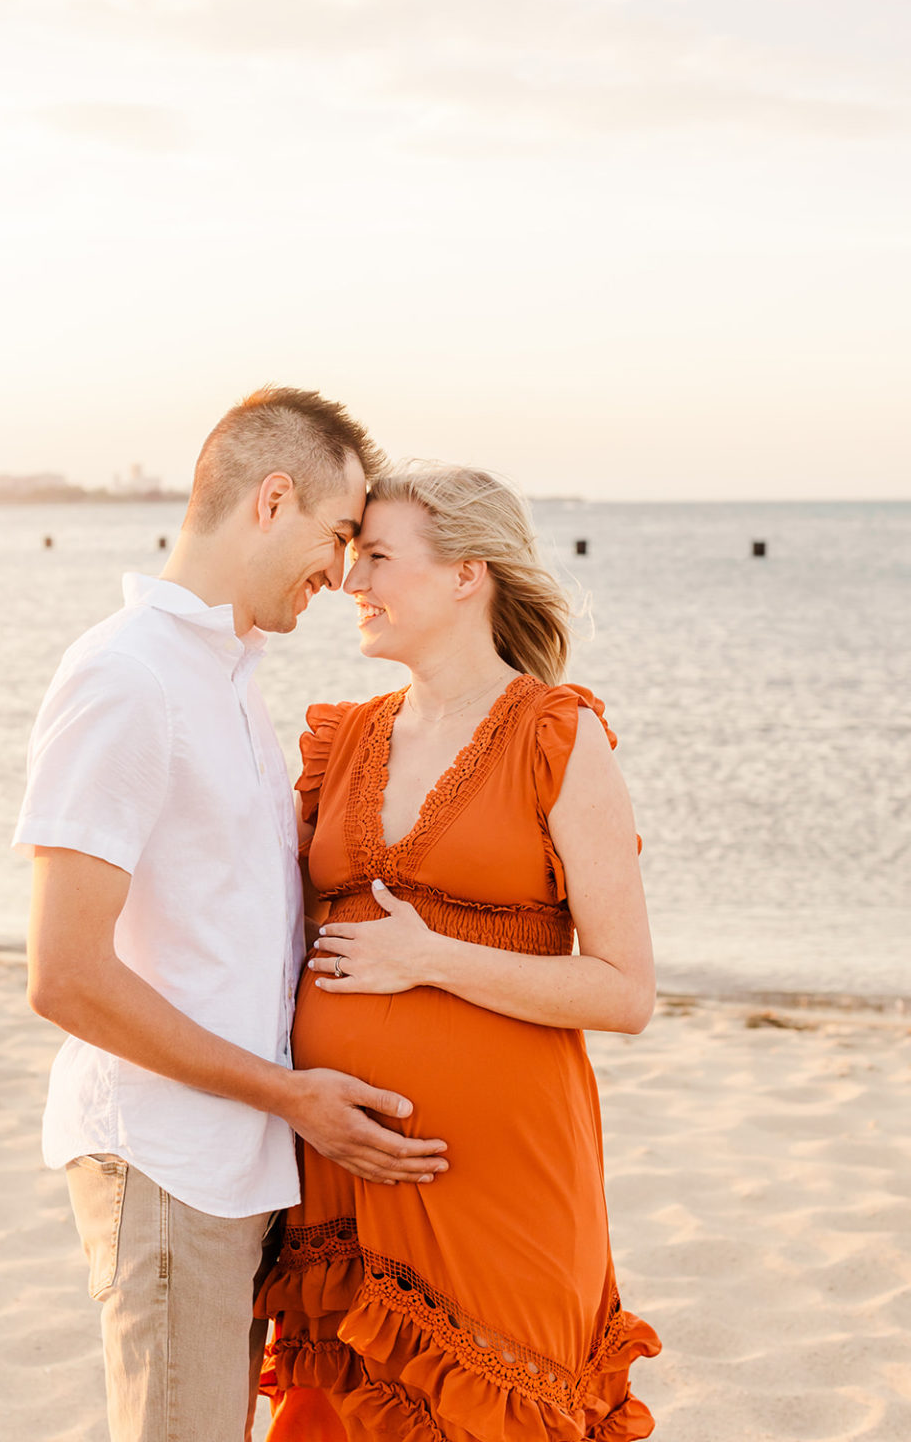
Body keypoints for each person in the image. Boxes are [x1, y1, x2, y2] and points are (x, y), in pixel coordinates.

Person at [12, 388, 449, 1442]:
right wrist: (290, 1095)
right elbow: (63, 976)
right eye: (338, 533)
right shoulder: (126, 676)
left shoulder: (226, 679)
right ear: (271, 498)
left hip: (236, 1158)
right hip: (167, 1161)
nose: (344, 571)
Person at [256, 463, 662, 1441]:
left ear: (465, 573)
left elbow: (624, 991)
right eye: (352, 557)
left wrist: (430, 960)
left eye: (380, 558)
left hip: (499, 1173)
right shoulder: (341, 739)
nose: (352, 583)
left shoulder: (555, 735)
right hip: (341, 1171)